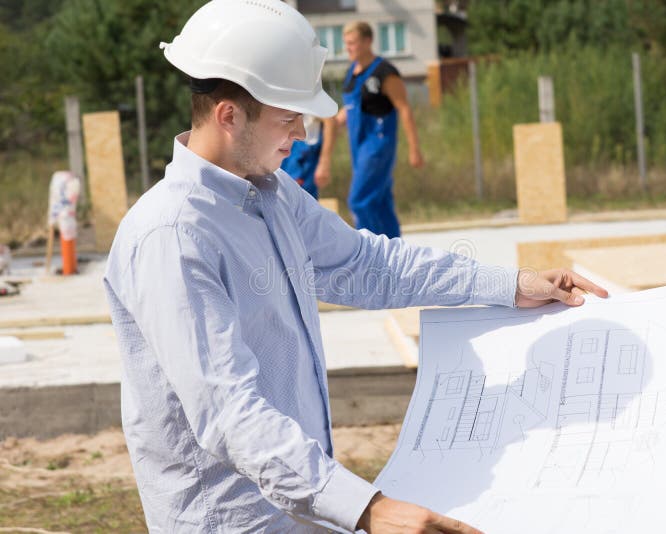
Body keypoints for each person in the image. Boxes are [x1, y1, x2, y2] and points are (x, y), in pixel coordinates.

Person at [103, 1, 607, 532]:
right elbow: (228, 412)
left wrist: (511, 284)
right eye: (287, 115)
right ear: (229, 115)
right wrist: (367, 509)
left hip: (299, 505)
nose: (300, 132)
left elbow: (370, 263)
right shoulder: (172, 237)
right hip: (230, 521)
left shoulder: (272, 196)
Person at [336, 21, 423, 239]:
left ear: (368, 41)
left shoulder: (385, 72)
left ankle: (371, 255)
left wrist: (415, 149)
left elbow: (404, 109)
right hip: (358, 145)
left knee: (359, 200)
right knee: (381, 201)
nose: (348, 47)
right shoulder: (351, 73)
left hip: (378, 144)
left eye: (352, 43)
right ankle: (396, 256)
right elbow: (349, 110)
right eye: (346, 43)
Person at [280, 115, 336, 199]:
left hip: (304, 151)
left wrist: (324, 162)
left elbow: (329, 119)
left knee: (302, 199)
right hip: (284, 146)